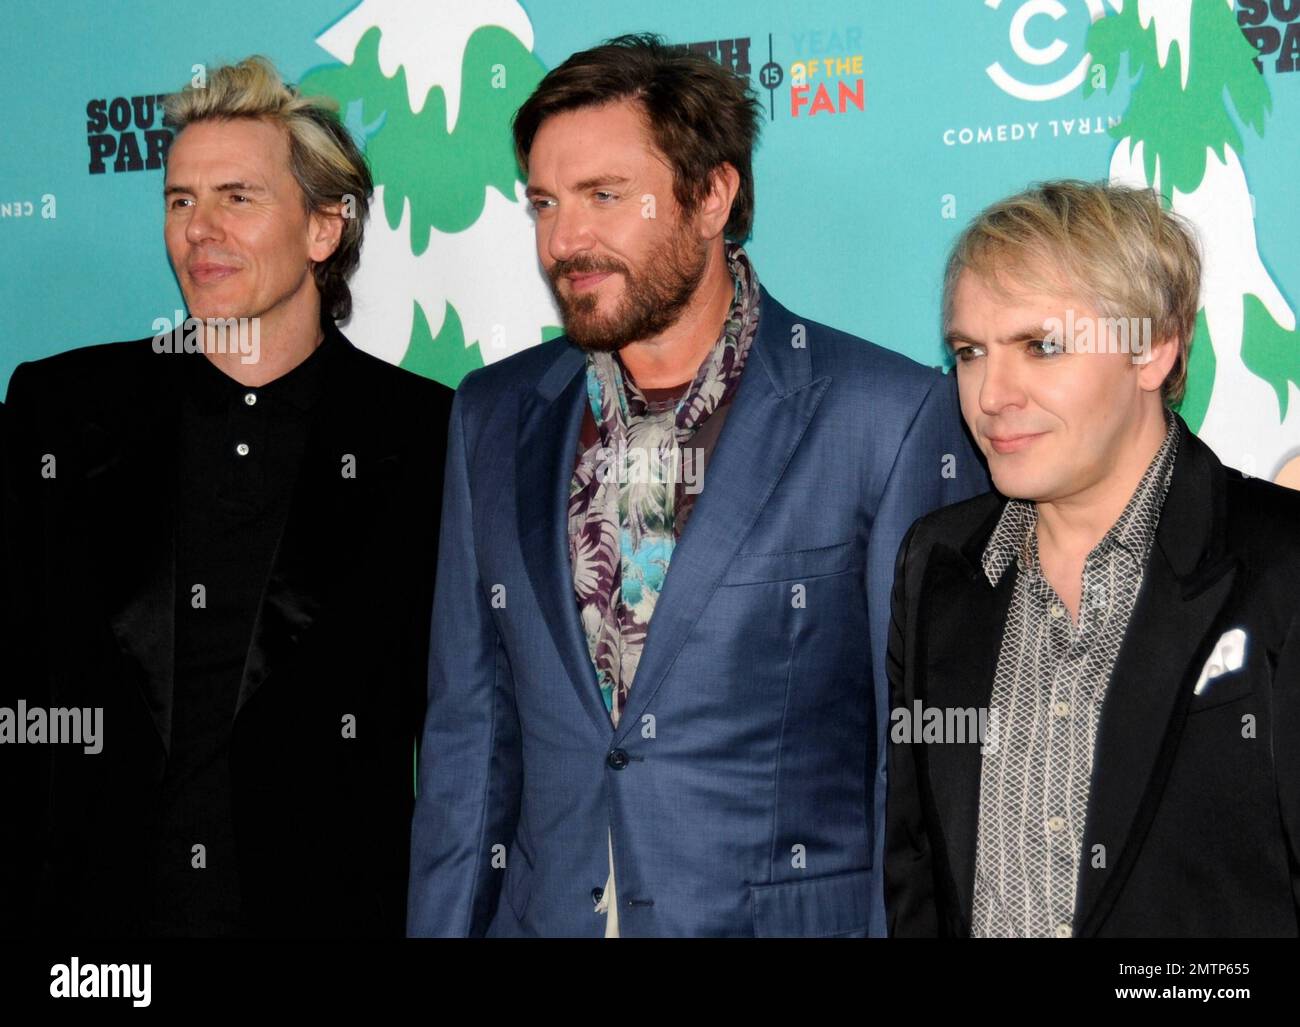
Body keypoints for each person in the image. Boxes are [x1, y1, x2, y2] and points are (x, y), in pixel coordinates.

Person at [407, 33, 983, 938]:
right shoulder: (493, 414)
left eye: (605, 195)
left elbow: (914, 765)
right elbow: (468, 743)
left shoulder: (885, 416)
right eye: (546, 203)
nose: (566, 239)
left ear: (713, 195)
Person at [0, 56, 452, 938]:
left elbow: (464, 726)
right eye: (179, 200)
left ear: (326, 227)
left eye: (237, 197)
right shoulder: (60, 410)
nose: (198, 231)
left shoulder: (428, 437)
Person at [885, 180, 1300, 937]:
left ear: (1154, 349)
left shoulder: (1280, 565)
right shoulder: (937, 567)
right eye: (969, 352)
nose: (992, 394)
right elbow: (917, 870)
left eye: (1041, 346)